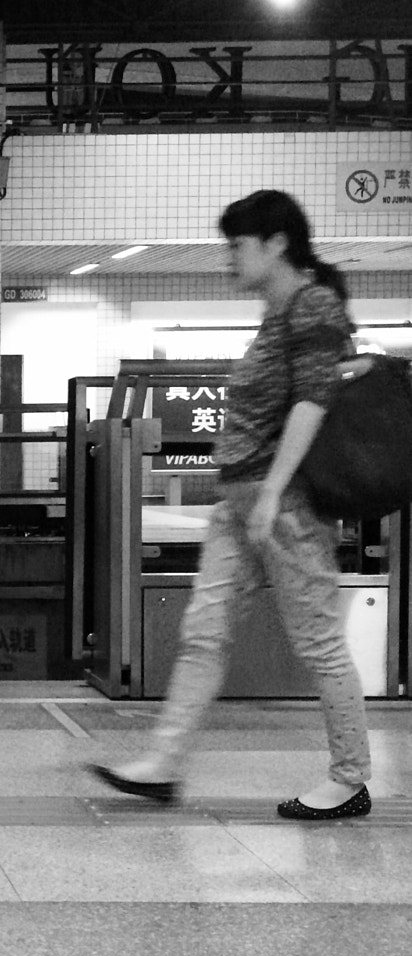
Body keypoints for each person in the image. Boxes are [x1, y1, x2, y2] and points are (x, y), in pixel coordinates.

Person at [91, 189, 372, 821]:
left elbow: (313, 400)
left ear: (276, 243)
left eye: (237, 245)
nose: (229, 258)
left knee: (319, 643)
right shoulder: (279, 313)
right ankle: (164, 766)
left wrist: (271, 492)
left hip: (284, 504)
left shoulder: (313, 305)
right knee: (203, 632)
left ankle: (350, 778)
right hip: (239, 501)